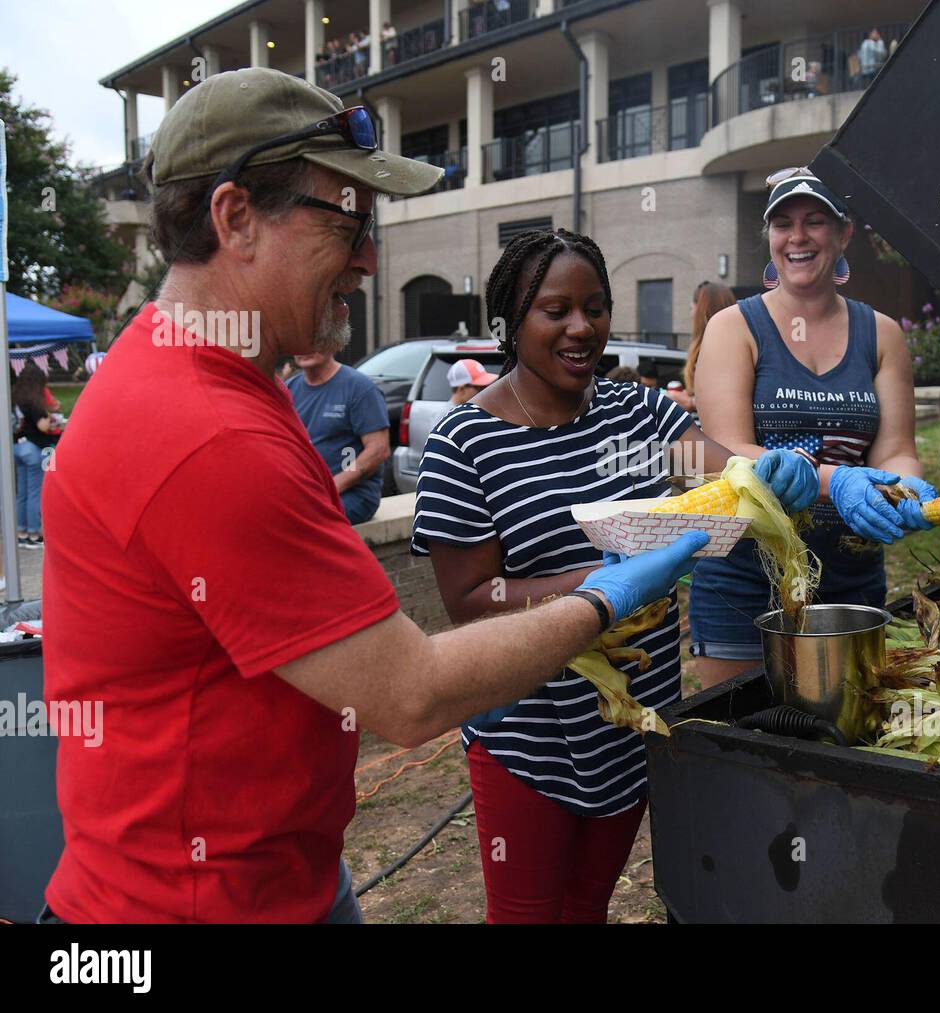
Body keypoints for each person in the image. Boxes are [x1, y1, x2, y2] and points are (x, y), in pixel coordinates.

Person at [38, 67, 705, 925]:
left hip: (279, 882)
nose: (367, 256)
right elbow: (410, 692)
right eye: (345, 218)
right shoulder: (206, 433)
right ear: (235, 218)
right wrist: (603, 597)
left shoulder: (216, 383)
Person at [412, 227, 817, 923]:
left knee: (587, 908)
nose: (582, 328)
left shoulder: (641, 411)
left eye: (595, 307)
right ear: (511, 321)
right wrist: (600, 586)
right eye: (556, 309)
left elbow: (720, 467)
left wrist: (771, 474)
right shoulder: (464, 445)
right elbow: (470, 605)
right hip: (530, 738)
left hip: (630, 727)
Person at [690, 168, 937, 689]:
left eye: (814, 221)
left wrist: (904, 485)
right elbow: (727, 452)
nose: (797, 237)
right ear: (770, 239)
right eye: (782, 224)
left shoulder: (883, 334)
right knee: (740, 737)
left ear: (844, 234)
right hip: (744, 577)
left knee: (839, 736)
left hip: (851, 578)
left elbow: (896, 449)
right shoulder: (734, 327)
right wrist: (835, 482)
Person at [287, 341, 390, 524]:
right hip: (306, 492)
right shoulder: (289, 390)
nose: (305, 347)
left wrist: (333, 486)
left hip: (352, 494)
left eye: (315, 340)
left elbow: (378, 450)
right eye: (300, 340)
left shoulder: (359, 388)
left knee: (305, 524)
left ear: (333, 344)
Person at [11, 362, 60, 548]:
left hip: (17, 447)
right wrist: (51, 418)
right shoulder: (35, 400)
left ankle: (21, 531)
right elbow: (43, 427)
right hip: (33, 448)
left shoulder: (15, 397)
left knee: (21, 493)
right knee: (35, 493)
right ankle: (34, 533)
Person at [671, 280, 736, 414]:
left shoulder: (718, 351)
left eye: (692, 308)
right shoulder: (733, 347)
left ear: (702, 312)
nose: (691, 315)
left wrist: (690, 402)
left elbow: (729, 398)